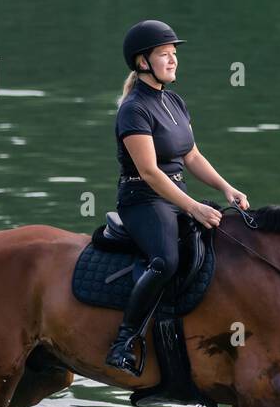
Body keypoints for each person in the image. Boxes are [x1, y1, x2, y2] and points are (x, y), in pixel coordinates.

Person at [104, 19, 249, 375]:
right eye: (164, 55)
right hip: (142, 198)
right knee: (165, 260)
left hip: (174, 195)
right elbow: (151, 172)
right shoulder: (133, 109)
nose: (173, 61)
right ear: (142, 62)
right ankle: (124, 341)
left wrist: (225, 188)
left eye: (173, 55)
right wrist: (194, 207)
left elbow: (192, 156)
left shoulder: (175, 102)